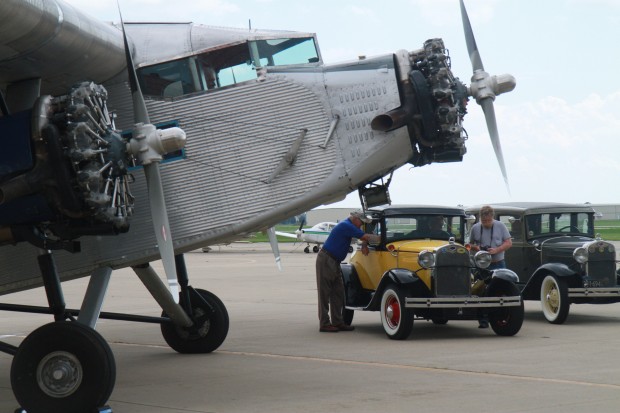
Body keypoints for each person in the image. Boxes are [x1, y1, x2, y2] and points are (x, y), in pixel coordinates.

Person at [315, 211, 380, 333]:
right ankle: (324, 323)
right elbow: (364, 236)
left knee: (338, 293)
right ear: (355, 219)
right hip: (327, 260)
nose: (360, 225)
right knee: (324, 294)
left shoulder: (349, 226)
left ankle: (337, 321)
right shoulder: (347, 225)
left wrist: (365, 244)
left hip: (334, 261)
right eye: (361, 222)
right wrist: (384, 238)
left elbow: (362, 238)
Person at [468, 205, 512, 328]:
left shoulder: (501, 226)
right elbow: (470, 244)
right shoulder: (475, 228)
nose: (486, 223)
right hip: (481, 265)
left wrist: (496, 250)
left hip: (498, 263)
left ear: (492, 217)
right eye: (483, 221)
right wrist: (478, 248)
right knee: (481, 291)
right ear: (480, 218)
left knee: (501, 289)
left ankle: (501, 315)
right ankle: (483, 319)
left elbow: (509, 243)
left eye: (488, 221)